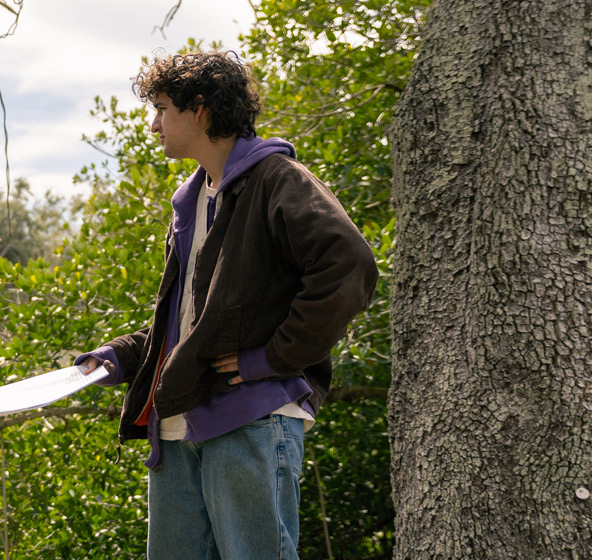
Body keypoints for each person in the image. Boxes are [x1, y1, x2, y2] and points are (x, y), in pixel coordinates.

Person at [75, 51, 377, 559]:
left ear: (200, 109)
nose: (154, 125)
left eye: (162, 109)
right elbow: (194, 322)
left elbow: (349, 267)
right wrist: (118, 358)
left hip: (251, 419)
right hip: (178, 424)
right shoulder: (191, 201)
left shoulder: (278, 178)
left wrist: (272, 358)